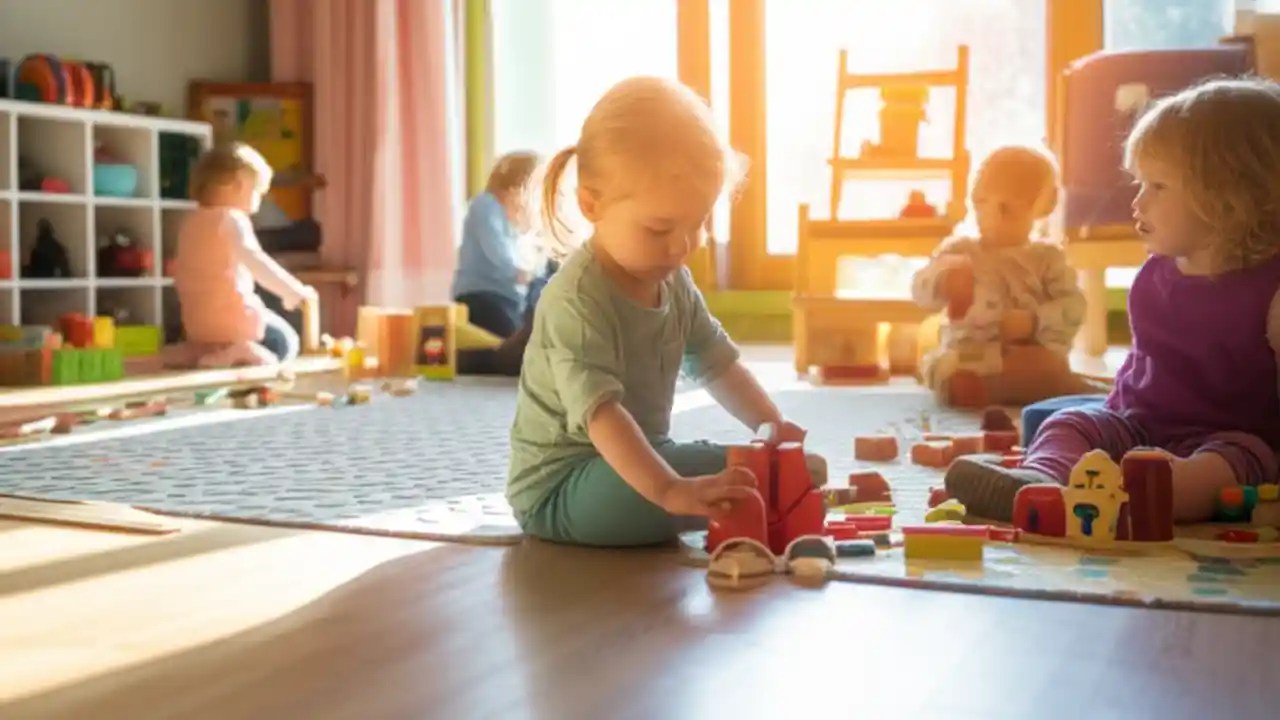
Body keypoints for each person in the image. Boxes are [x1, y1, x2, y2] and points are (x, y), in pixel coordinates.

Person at [945, 77, 1280, 523]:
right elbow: (1142, 367)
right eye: (1140, 183)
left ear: (1229, 198)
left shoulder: (1270, 294)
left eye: (1158, 187)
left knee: (1234, 462)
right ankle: (1039, 483)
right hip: (1140, 423)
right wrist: (1109, 413)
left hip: (1231, 438)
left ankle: (1152, 498)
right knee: (1068, 424)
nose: (1138, 202)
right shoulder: (1155, 272)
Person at [506, 76, 808, 547]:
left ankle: (750, 488)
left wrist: (772, 428)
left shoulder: (673, 280)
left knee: (770, 471)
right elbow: (602, 415)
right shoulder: (578, 300)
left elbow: (716, 362)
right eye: (661, 228)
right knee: (735, 483)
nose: (684, 245)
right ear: (592, 204)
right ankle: (715, 496)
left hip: (643, 458)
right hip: (564, 487)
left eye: (699, 223)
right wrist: (670, 490)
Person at [171, 142, 317, 367]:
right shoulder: (231, 219)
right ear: (237, 185)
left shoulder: (189, 222)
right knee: (286, 341)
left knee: (240, 324)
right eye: (257, 192)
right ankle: (241, 351)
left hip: (197, 326)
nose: (258, 202)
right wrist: (292, 291)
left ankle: (211, 354)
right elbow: (256, 261)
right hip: (233, 323)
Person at [452, 151, 540, 338]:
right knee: (514, 343)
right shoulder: (485, 206)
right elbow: (498, 253)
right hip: (482, 297)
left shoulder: (513, 219)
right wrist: (522, 274)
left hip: (507, 299)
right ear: (516, 186)